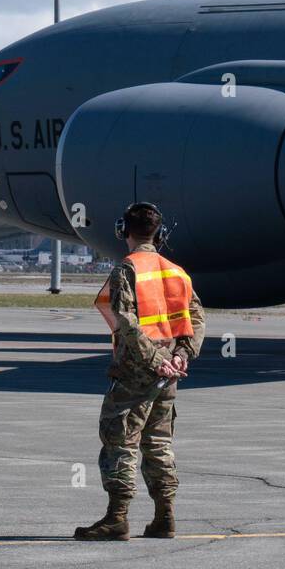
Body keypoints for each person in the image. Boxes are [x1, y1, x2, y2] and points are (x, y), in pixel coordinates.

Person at [74, 202, 204, 541]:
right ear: (159, 234)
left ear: (124, 231)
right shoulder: (176, 272)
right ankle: (165, 516)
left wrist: (152, 359)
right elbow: (196, 320)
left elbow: (126, 322)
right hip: (168, 376)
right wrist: (181, 357)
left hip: (137, 372)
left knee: (120, 440)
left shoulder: (127, 270)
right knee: (159, 442)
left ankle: (117, 518)